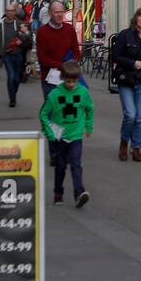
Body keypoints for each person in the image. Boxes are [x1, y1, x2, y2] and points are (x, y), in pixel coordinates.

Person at [39, 60, 93, 208]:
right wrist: (50, 133)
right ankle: (58, 193)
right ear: (62, 78)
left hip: (76, 136)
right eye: (68, 81)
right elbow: (43, 114)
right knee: (61, 166)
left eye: (74, 81)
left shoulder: (83, 92)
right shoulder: (54, 95)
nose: (70, 85)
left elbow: (89, 109)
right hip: (60, 137)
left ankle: (79, 193)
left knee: (76, 164)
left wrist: (88, 126)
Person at [111, 6, 141, 162]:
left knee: (140, 117)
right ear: (136, 18)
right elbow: (115, 56)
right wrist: (133, 63)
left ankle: (136, 147)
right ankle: (124, 143)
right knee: (130, 114)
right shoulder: (125, 35)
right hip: (126, 79)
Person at [36, 0, 81, 100]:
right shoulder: (42, 32)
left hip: (69, 77)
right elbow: (42, 58)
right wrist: (61, 66)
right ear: (50, 13)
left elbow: (76, 50)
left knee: (69, 109)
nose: (59, 15)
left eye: (61, 12)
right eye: (56, 12)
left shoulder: (69, 29)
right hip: (50, 78)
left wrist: (73, 63)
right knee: (52, 108)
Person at [0, 3, 33, 108]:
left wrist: (23, 40)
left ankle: (13, 91)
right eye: (7, 10)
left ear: (14, 12)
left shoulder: (21, 24)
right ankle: (12, 99)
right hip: (7, 55)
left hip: (19, 55)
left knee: (17, 78)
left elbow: (29, 41)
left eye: (11, 11)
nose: (9, 13)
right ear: (5, 12)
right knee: (11, 76)